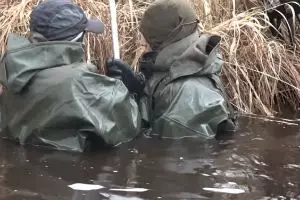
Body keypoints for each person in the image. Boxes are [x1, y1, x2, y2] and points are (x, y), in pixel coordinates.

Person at [0, 0, 141, 152]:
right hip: (73, 171)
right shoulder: (80, 81)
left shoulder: (12, 70)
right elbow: (129, 128)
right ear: (78, 39)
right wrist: (127, 91)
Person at [107, 0, 236, 139]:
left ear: (163, 39)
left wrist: (123, 109)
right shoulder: (183, 69)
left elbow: (165, 153)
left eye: (148, 36)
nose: (142, 42)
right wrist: (139, 91)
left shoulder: (187, 95)